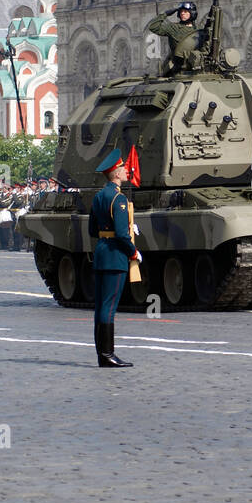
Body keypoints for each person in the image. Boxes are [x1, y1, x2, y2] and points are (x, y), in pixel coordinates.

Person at [91, 148, 141, 368]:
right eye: (123, 168)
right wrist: (133, 251)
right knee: (109, 307)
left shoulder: (99, 196)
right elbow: (121, 234)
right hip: (115, 256)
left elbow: (93, 229)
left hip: (102, 252)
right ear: (117, 173)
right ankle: (108, 354)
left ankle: (102, 354)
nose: (126, 171)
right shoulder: (118, 198)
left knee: (101, 306)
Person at [146, 1, 200, 75]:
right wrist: (165, 14)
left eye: (185, 11)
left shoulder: (198, 31)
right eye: (181, 12)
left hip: (195, 67)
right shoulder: (174, 28)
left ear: (192, 13)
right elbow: (153, 26)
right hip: (178, 68)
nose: (182, 13)